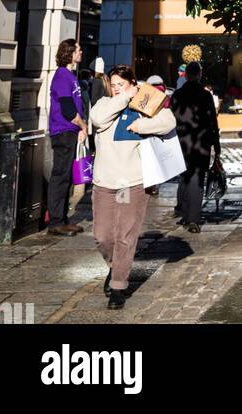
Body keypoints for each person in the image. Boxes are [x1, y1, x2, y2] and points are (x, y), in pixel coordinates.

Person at [89, 65, 179, 309]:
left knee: (125, 236)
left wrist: (143, 126)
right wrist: (124, 97)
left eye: (122, 84)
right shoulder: (104, 104)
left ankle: (119, 286)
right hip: (104, 182)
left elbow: (168, 121)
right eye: (114, 85)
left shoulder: (145, 103)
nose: (117, 88)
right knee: (102, 236)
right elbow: (97, 119)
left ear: (133, 82)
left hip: (133, 181)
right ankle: (115, 267)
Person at [171, 62, 220, 233]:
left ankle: (185, 213)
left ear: (186, 75)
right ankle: (193, 219)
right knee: (197, 180)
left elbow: (171, 120)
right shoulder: (205, 95)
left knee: (184, 177)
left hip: (181, 142)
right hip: (201, 142)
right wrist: (217, 146)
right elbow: (213, 121)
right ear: (199, 74)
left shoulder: (177, 94)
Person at [47, 39, 89, 236]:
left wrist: (80, 129)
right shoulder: (63, 76)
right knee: (60, 176)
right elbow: (67, 108)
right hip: (63, 131)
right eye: (78, 49)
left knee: (67, 177)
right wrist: (82, 125)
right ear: (70, 53)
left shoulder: (70, 76)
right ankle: (55, 222)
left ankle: (63, 219)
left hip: (70, 131)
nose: (81, 52)